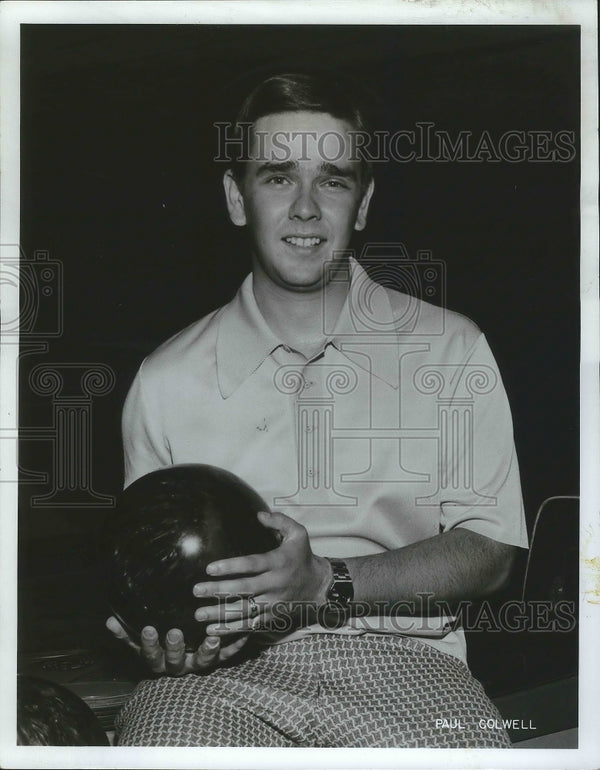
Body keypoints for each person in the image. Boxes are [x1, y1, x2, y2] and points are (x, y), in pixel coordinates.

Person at [107, 72, 528, 748]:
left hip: (408, 666)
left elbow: (490, 552)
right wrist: (165, 635)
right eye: (277, 177)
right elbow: (155, 575)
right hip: (217, 679)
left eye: (332, 180)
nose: (305, 209)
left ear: (362, 205)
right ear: (235, 197)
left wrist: (324, 584)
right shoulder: (165, 379)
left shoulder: (451, 347)